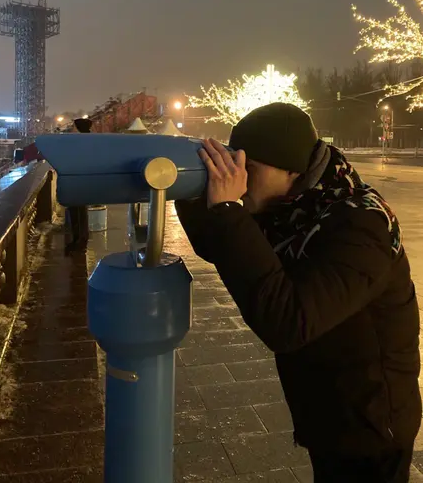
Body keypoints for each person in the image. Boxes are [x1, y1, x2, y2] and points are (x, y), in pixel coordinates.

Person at [175, 102, 421, 483]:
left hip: (372, 425)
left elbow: (288, 321)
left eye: (250, 169)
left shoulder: (361, 224)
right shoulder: (293, 209)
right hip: (329, 411)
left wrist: (228, 210)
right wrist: (191, 190)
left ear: (291, 169)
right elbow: (223, 244)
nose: (241, 179)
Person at [65, 117, 93, 254]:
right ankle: (79, 240)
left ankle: (80, 241)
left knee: (78, 212)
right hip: (81, 180)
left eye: (73, 126)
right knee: (79, 211)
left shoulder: (81, 142)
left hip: (78, 180)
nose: (71, 128)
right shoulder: (89, 140)